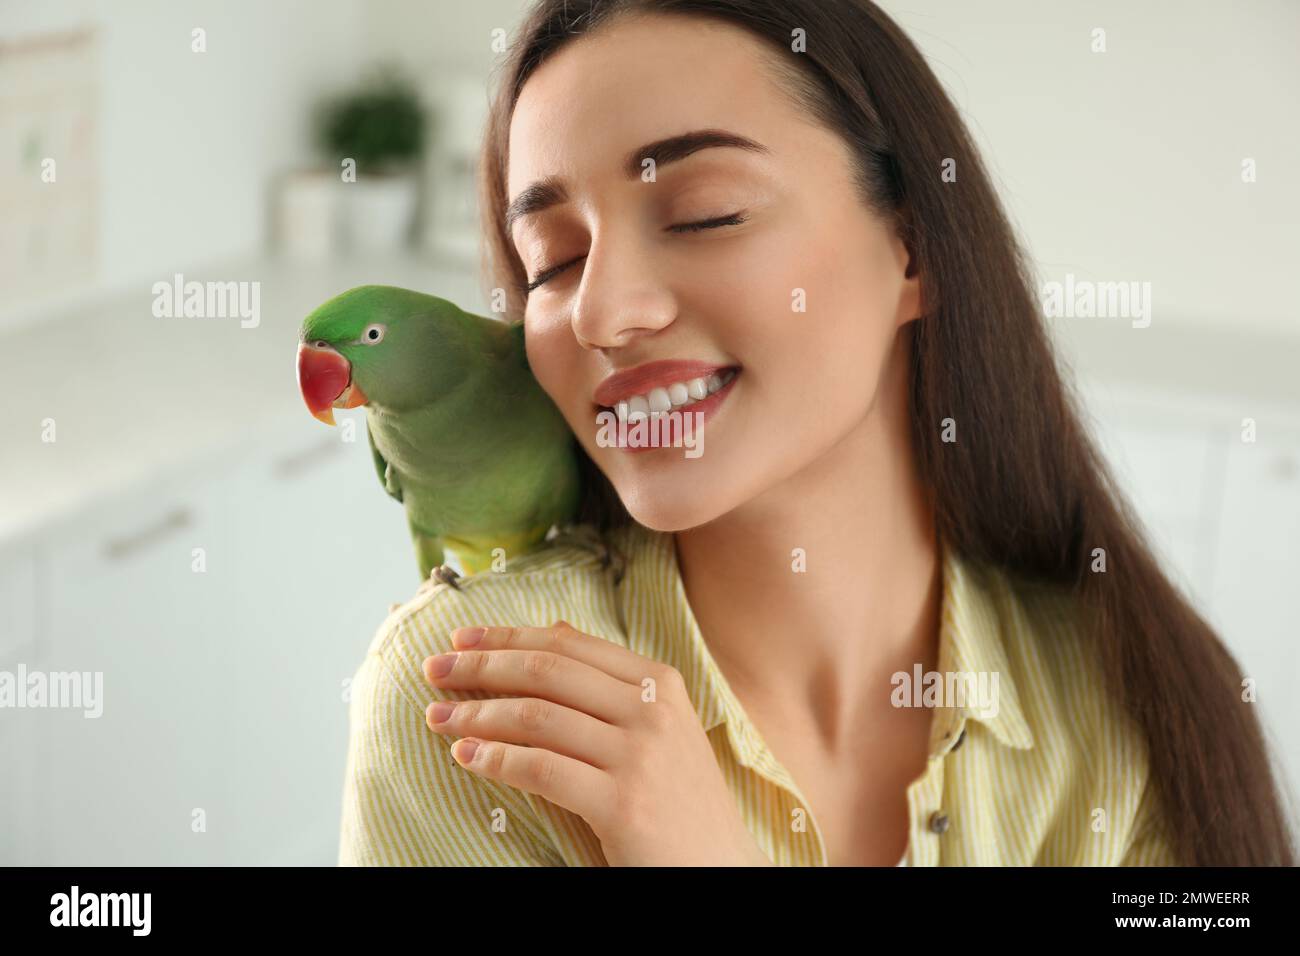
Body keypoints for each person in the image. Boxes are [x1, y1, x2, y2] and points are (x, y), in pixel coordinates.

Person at [338, 0, 1294, 866]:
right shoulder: (468, 708)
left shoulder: (1136, 708)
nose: (603, 313)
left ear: (912, 248)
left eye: (706, 213)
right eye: (553, 262)